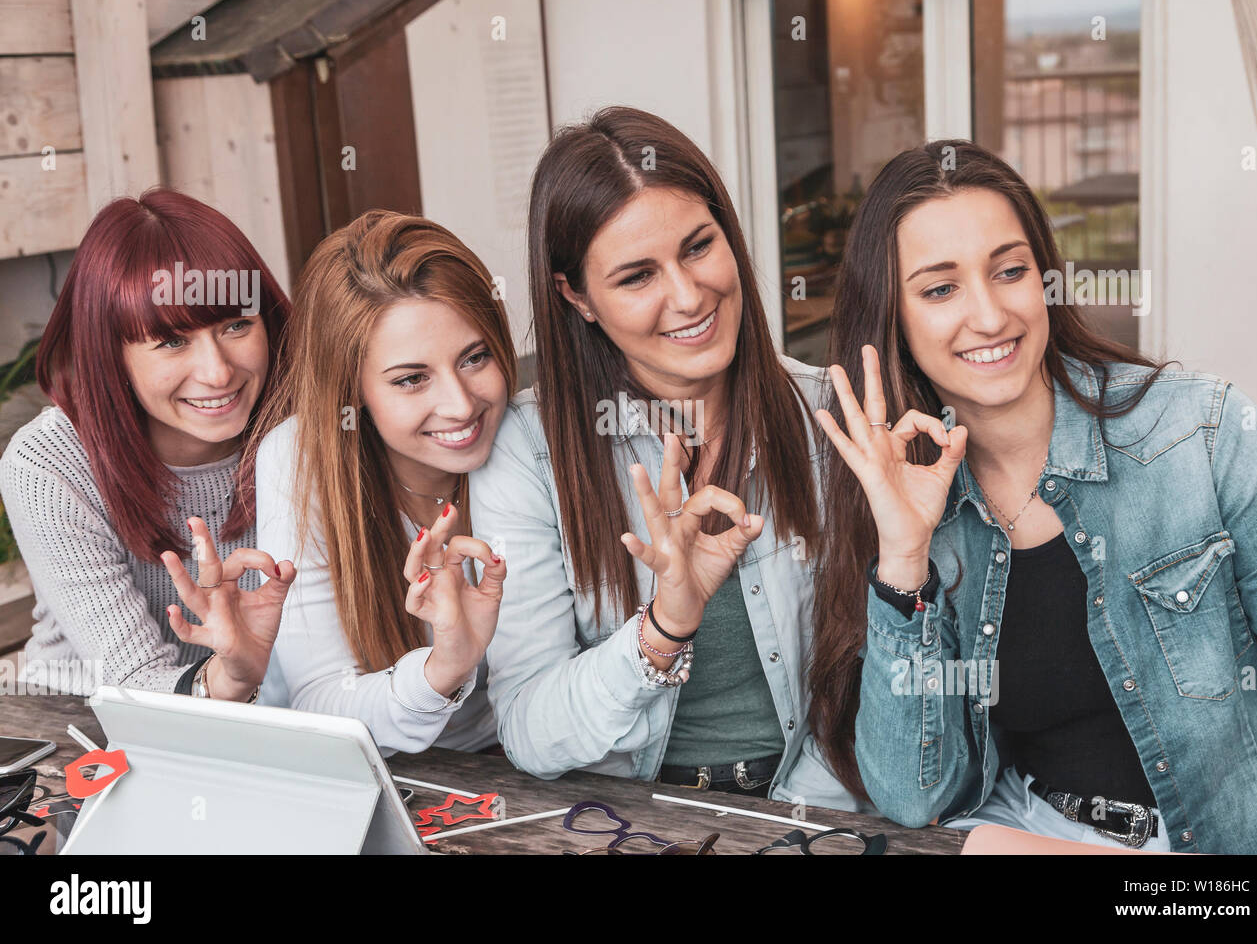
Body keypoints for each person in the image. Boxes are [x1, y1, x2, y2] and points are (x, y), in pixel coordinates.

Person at [812, 139, 1257, 853]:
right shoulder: (917, 493)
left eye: (1009, 272)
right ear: (895, 319)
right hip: (1027, 832)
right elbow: (915, 796)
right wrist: (904, 557)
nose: (988, 315)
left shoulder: (1208, 437)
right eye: (940, 288)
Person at [466, 106, 862, 809]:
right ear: (577, 297)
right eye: (636, 276)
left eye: (699, 246)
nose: (687, 296)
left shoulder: (828, 415)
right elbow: (529, 730)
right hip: (630, 820)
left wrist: (779, 827)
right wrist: (662, 629)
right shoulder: (527, 450)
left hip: (811, 811)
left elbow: (861, 689)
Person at [0, 188, 297, 700]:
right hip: (81, 729)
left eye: (236, 325)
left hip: (270, 724)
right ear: (108, 353)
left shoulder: (304, 431)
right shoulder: (51, 462)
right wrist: (234, 676)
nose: (218, 372)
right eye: (172, 341)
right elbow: (136, 684)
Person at [252, 211, 516, 754]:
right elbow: (320, 701)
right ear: (353, 390)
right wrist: (444, 667)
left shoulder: (527, 439)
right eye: (411, 379)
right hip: (363, 781)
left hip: (523, 772)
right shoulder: (300, 462)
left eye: (475, 357)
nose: (461, 404)